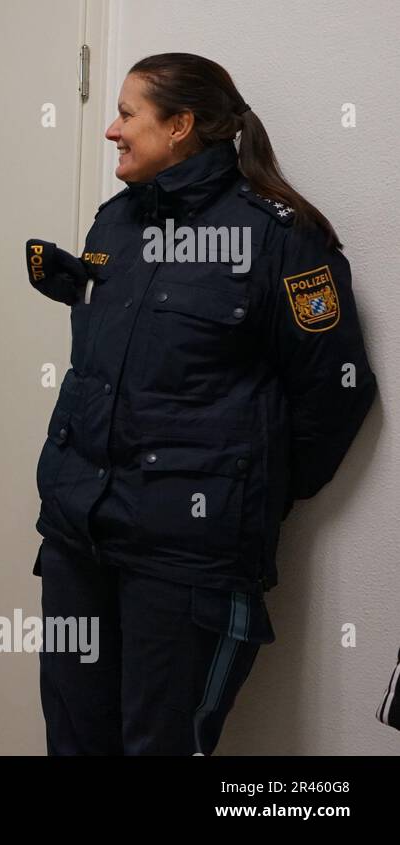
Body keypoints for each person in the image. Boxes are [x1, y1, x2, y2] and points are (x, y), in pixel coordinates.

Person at [25, 53, 376, 755]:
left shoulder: (280, 236)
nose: (111, 131)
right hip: (79, 539)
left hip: (185, 559)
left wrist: (247, 490)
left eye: (127, 114)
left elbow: (337, 389)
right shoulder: (115, 223)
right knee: (73, 740)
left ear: (180, 124)